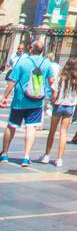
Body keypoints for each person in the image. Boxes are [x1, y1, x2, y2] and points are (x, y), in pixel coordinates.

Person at [0, 39, 57, 167]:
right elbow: (52, 81)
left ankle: (4, 154)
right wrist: (54, 94)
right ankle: (26, 157)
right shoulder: (47, 63)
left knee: (11, 126)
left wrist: (5, 96)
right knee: (31, 127)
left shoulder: (23, 62)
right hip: (36, 101)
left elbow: (12, 80)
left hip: (20, 100)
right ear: (42, 50)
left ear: (31, 49)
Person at [39, 57, 77, 169]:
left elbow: (54, 92)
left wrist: (53, 101)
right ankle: (59, 159)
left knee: (52, 131)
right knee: (63, 132)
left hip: (59, 105)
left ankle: (47, 155)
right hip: (69, 107)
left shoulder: (61, 78)